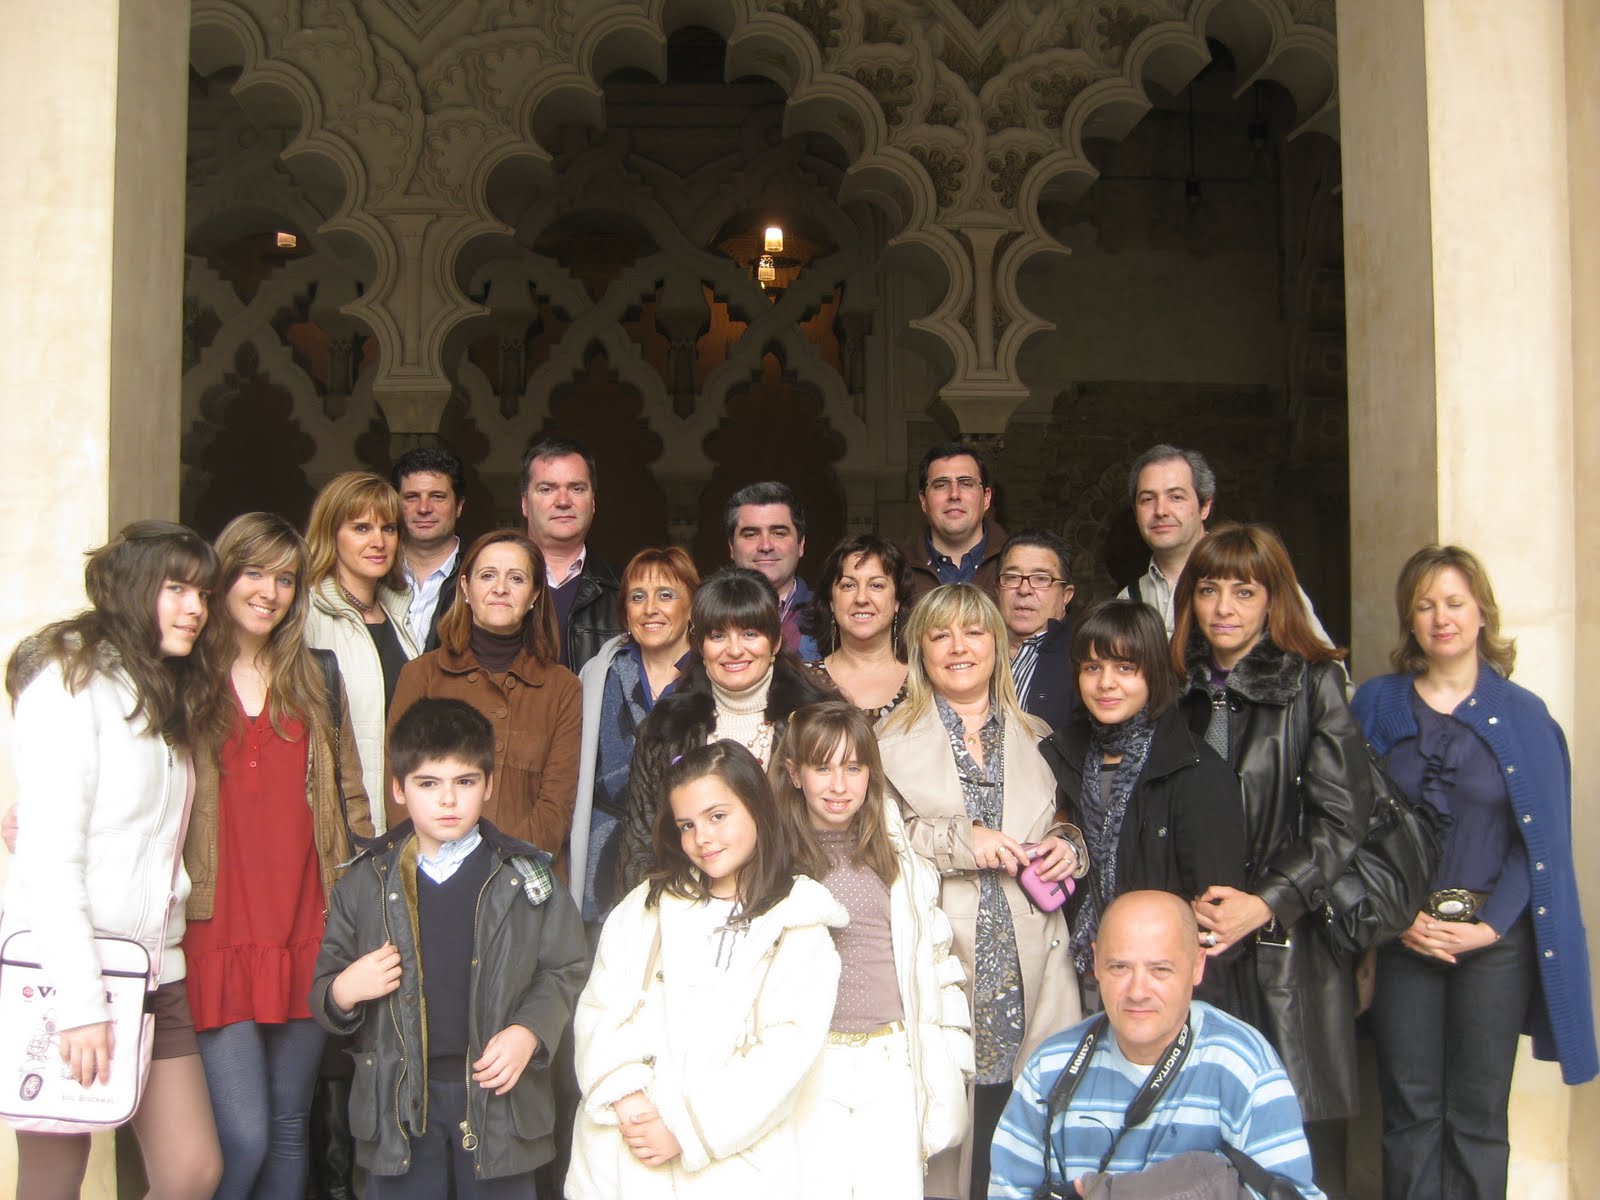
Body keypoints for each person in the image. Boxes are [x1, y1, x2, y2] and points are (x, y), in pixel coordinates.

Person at [1351, 545, 1597, 1199]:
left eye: (1454, 603)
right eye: (1425, 605)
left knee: (1478, 1117)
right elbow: (1351, 826)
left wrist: (1490, 928)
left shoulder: (1524, 716)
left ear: (1482, 612)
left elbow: (1539, 845)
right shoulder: (1375, 705)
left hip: (1495, 945)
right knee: (1409, 1114)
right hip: (1405, 937)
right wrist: (1398, 917)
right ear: (1410, 620)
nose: (1441, 618)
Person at [3, 521, 229, 1199]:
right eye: (178, 588)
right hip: (64, 972)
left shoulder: (165, 691)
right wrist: (79, 1004)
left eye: (203, 592)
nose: (196, 607)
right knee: (53, 1178)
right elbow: (50, 857)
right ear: (133, 591)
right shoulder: (69, 685)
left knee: (191, 1172)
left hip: (156, 967)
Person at [309, 698, 588, 1198]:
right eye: (428, 784)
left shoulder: (525, 877)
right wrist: (345, 990)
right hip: (397, 1107)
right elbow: (324, 994)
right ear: (398, 789)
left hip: (499, 1100)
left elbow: (566, 967)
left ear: (489, 784)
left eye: (465, 782)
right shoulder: (363, 884)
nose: (448, 801)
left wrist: (530, 1031)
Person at [1171, 523, 1371, 1193]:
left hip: (1289, 948)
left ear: (1271, 599)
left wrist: (1265, 902)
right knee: (1202, 1149)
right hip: (1200, 944)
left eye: (1243, 590)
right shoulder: (1176, 688)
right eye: (1208, 589)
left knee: (1295, 1155)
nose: (1224, 607)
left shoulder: (1313, 683)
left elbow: (1341, 821)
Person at [876, 582, 1087, 1198]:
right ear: (920, 650)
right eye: (940, 634)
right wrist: (965, 840)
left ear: (997, 644)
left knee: (1026, 1125)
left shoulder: (1041, 734)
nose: (958, 647)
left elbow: (1074, 824)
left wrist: (1069, 846)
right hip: (945, 954)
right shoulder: (887, 741)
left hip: (1032, 959)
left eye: (973, 632)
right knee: (947, 1134)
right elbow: (884, 843)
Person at [184, 513, 373, 1199]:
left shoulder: (317, 677)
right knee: (244, 1135)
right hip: (215, 929)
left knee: (292, 1125)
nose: (269, 591)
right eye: (254, 572)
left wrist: (358, 914)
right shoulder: (183, 680)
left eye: (286, 578)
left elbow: (352, 804)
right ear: (224, 577)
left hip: (306, 929)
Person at [566, 740, 845, 1200]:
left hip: (734, 1165)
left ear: (756, 808)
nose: (703, 838)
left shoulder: (798, 921)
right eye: (687, 825)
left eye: (718, 816)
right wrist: (629, 1100)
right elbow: (600, 1006)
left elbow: (785, 1052)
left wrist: (685, 1128)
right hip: (628, 1156)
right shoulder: (648, 907)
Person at [988, 891, 1322, 1200]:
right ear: (1095, 963)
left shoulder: (1243, 1065)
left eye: (1160, 970)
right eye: (1119, 967)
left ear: (1196, 966)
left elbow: (1290, 1193)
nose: (1137, 991)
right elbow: (1007, 1191)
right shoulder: (1051, 1067)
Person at [773, 701, 972, 1198]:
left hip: (892, 1058)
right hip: (814, 1060)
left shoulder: (897, 857)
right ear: (796, 775)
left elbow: (935, 956)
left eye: (853, 767)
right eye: (822, 768)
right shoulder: (776, 861)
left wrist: (950, 1053)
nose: (839, 785)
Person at [1039, 599, 1247, 1015]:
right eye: (1092, 668)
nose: (1106, 684)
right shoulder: (1061, 756)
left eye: (1125, 668)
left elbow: (1215, 924)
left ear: (1153, 672)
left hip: (1161, 993)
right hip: (1078, 976)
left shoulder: (1195, 771)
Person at [614, 567, 834, 892]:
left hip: (798, 900)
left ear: (774, 641)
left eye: (750, 634)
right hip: (691, 905)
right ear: (700, 646)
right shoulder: (666, 729)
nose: (734, 650)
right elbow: (641, 845)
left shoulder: (818, 720)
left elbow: (843, 834)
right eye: (718, 635)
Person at [386, 530, 582, 873]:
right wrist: (442, 869)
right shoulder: (420, 676)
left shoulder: (562, 688)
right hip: (432, 877)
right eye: (487, 575)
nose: (500, 588)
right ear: (465, 588)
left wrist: (494, 870)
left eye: (517, 578)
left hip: (525, 883)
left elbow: (556, 806)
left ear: (535, 594)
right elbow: (399, 788)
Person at [569, 547, 700, 928]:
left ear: (692, 606)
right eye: (637, 597)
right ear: (625, 610)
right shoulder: (599, 674)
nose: (650, 608)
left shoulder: (709, 679)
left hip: (688, 848)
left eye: (666, 595)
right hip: (605, 851)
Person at [1118, 444, 1334, 646]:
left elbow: (1325, 672)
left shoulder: (1258, 575)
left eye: (1176, 497)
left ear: (1205, 507)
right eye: (1147, 499)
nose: (1160, 510)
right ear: (1136, 513)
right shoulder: (1128, 600)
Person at [305, 471, 420, 827]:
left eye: (388, 528)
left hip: (400, 811)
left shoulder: (400, 614)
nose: (378, 541)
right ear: (331, 534)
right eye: (361, 528)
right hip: (339, 816)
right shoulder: (307, 614)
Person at [520, 437, 623, 671]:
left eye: (577, 488)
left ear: (593, 502)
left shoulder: (624, 590)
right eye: (547, 489)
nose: (564, 501)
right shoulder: (483, 586)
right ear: (525, 503)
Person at [801, 533, 911, 722]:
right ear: (831, 602)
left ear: (897, 601)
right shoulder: (803, 682)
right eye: (848, 585)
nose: (861, 598)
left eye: (876, 585)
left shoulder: (926, 679)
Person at [901, 442, 1008, 601]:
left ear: (986, 498)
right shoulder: (898, 569)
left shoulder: (1016, 563)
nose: (954, 494)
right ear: (923, 500)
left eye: (966, 483)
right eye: (941, 485)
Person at [725, 480, 819, 660]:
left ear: (801, 544)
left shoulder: (828, 614)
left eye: (779, 533)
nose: (765, 546)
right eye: (751, 534)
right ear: (731, 546)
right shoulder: (705, 615)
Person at [996, 529, 1077, 732]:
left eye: (1041, 579)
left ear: (1066, 595)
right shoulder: (970, 649)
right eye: (1012, 577)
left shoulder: (1084, 659)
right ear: (998, 589)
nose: (1024, 590)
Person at [393, 446, 466, 653]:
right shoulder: (375, 573)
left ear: (459, 506)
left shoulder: (480, 574)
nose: (424, 508)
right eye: (411, 497)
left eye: (437, 496)